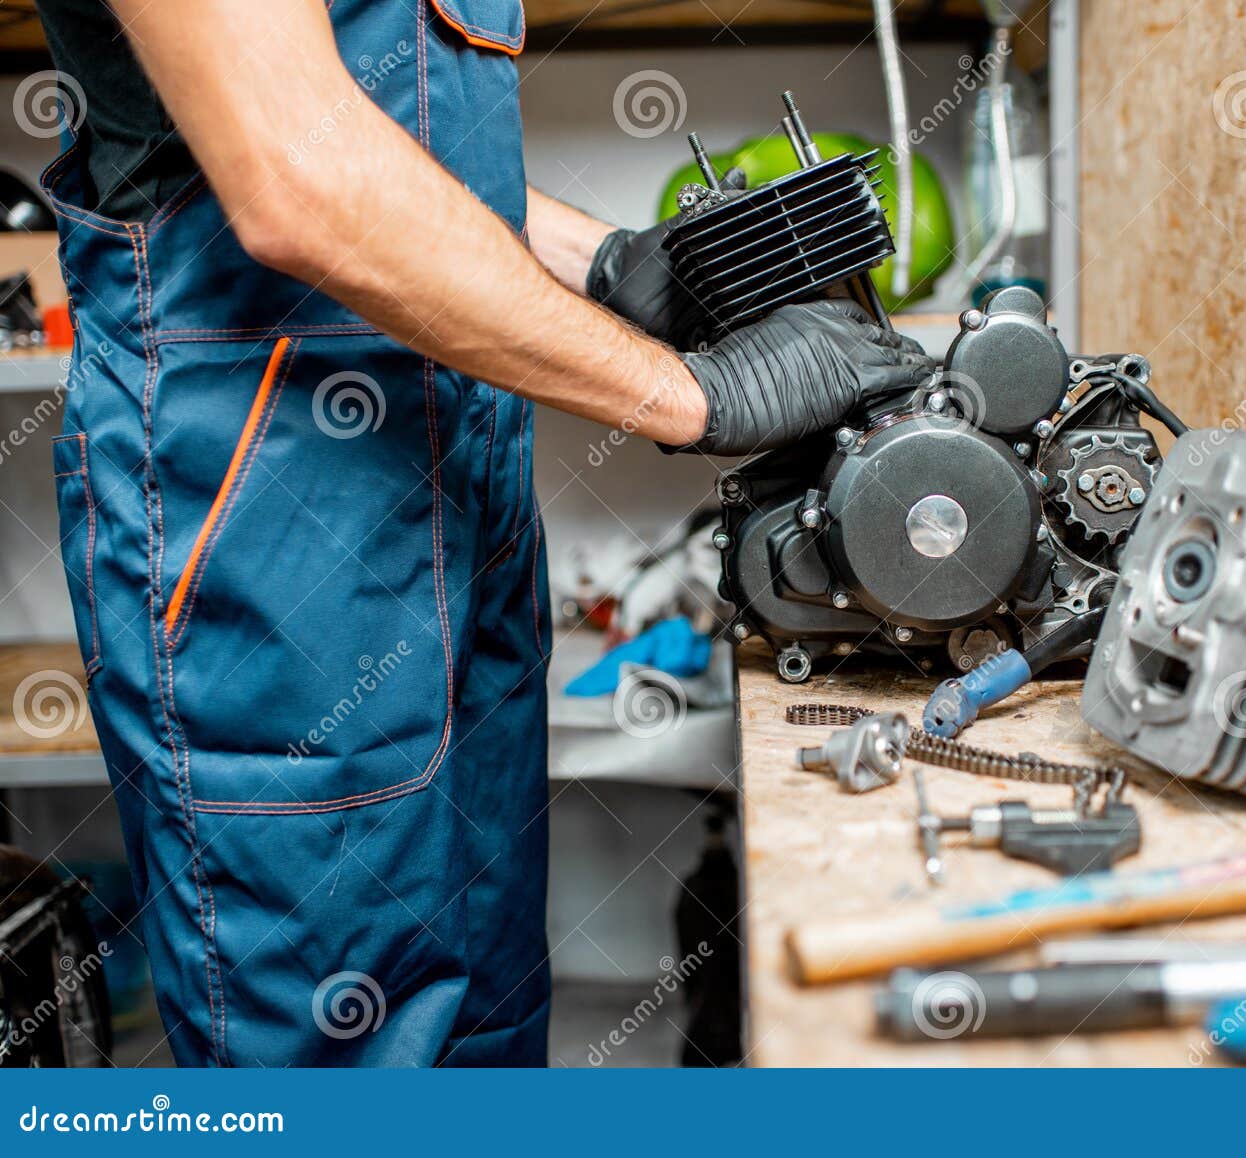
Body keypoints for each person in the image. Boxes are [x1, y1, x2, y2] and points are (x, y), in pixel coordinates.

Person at [34, 0, 932, 1066]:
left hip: (457, 504)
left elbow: (383, 143)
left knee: (485, 1017)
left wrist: (615, 265)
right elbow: (291, 174)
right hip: (272, 531)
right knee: (338, 1053)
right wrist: (693, 395)